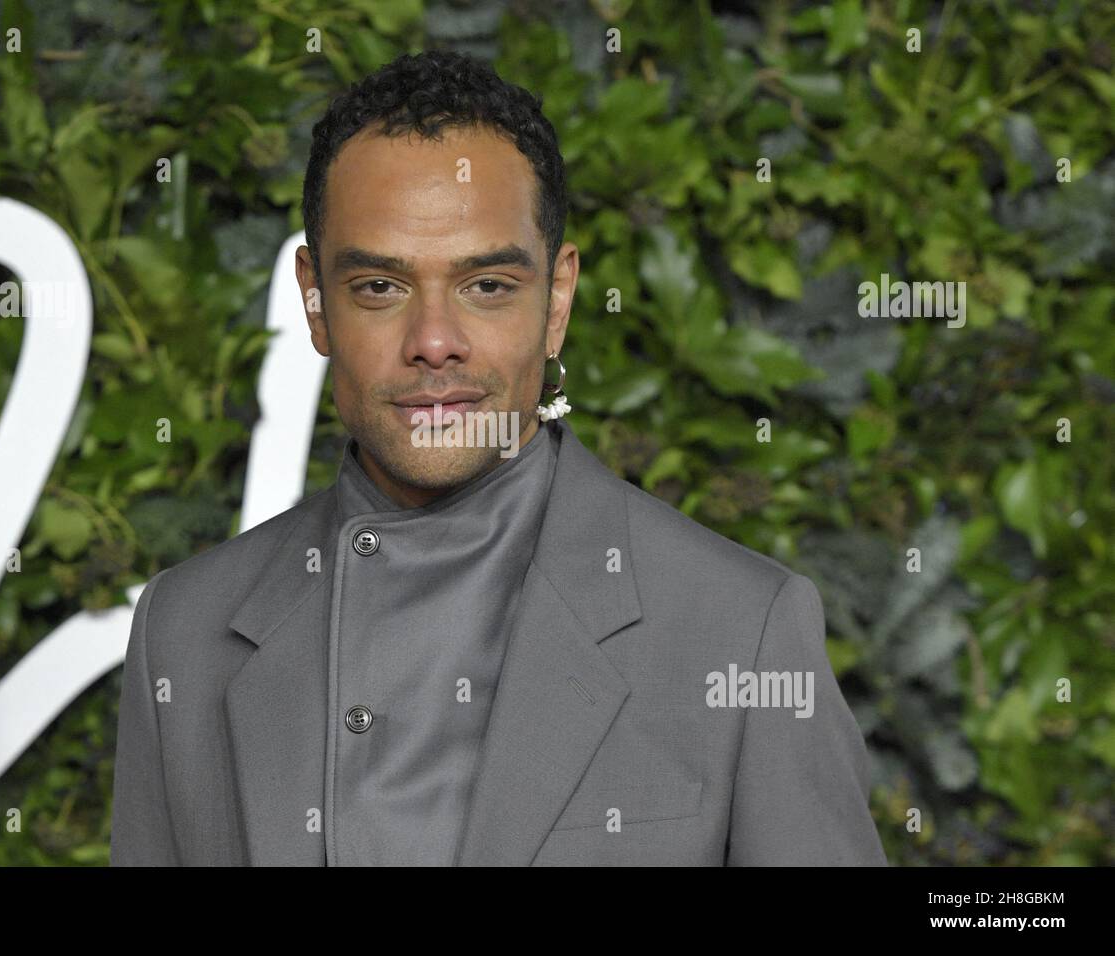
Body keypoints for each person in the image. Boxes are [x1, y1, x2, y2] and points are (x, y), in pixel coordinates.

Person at [110, 49, 887, 866]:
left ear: (556, 302)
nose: (434, 343)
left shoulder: (740, 630)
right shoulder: (184, 633)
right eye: (380, 286)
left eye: (487, 286)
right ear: (316, 301)